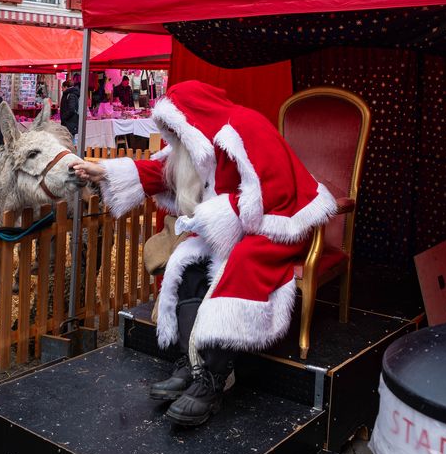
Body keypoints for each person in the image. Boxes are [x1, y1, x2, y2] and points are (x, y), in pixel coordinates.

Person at [71, 80, 336, 427]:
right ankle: (192, 362)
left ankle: (213, 379)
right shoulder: (196, 140)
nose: (173, 140)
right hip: (235, 224)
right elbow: (163, 172)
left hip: (276, 223)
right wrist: (103, 169)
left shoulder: (246, 127)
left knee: (242, 263)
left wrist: (220, 214)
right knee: (188, 260)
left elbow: (277, 193)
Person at [59, 73, 82, 137]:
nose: (61, 89)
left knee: (69, 141)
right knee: (68, 141)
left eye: (62, 88)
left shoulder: (70, 95)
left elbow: (71, 109)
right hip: (69, 123)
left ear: (66, 87)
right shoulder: (70, 94)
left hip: (69, 123)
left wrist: (64, 117)